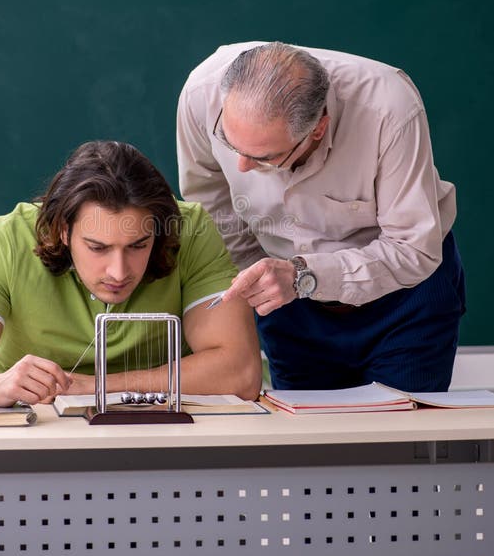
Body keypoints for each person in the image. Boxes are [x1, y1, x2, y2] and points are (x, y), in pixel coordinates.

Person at [177, 41, 466, 392]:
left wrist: (301, 275)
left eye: (265, 157)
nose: (242, 166)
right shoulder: (201, 92)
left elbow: (413, 249)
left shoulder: (388, 108)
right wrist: (262, 276)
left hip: (403, 299)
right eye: (230, 142)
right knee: (305, 442)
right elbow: (211, 202)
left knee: (398, 438)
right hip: (289, 304)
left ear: (317, 129)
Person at [0, 141, 262, 406]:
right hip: (30, 434)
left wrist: (98, 385)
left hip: (157, 434)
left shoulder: (191, 230)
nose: (119, 271)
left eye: (138, 245)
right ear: (63, 231)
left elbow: (242, 373)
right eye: (98, 248)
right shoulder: (6, 240)